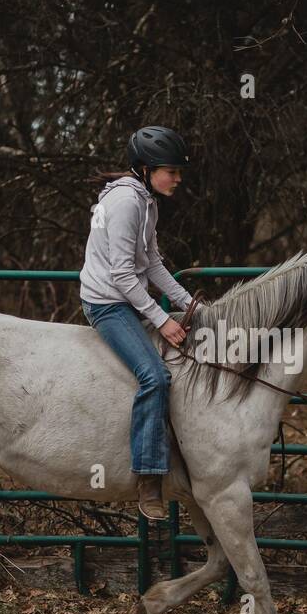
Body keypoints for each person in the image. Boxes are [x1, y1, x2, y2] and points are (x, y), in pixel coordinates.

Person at [79, 125, 194, 520]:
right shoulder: (128, 202)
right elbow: (124, 275)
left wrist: (187, 302)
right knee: (154, 376)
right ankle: (148, 478)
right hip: (107, 304)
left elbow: (152, 263)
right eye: (171, 171)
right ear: (145, 168)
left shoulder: (146, 199)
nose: (178, 178)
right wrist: (163, 320)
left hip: (126, 297)